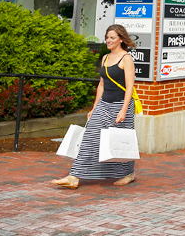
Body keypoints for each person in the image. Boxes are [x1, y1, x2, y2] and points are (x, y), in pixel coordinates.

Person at [52, 24, 137, 189]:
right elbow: (102, 85)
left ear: (121, 39)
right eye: (107, 37)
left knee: (120, 142)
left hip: (120, 105)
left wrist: (124, 110)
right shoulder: (105, 58)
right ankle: (74, 176)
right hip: (104, 104)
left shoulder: (126, 59)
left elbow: (130, 87)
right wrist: (94, 107)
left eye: (112, 37)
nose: (108, 40)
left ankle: (128, 173)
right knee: (90, 138)